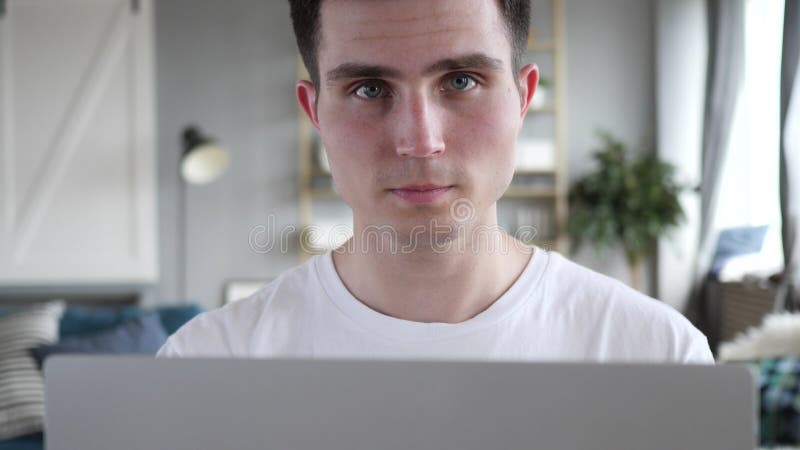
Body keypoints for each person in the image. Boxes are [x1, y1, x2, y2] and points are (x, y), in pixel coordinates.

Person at [157, 0, 713, 363]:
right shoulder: (208, 364)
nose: (420, 140)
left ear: (522, 98)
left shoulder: (657, 355)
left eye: (462, 80)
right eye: (370, 88)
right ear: (316, 111)